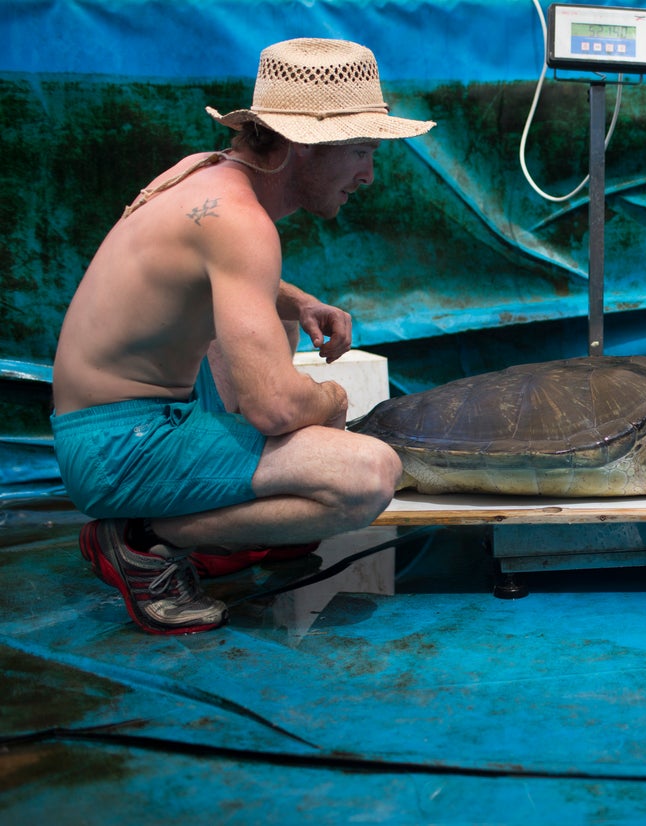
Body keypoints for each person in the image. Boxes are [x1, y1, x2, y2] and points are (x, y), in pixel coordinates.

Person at [51, 38, 436, 635]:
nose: (369, 173)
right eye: (361, 150)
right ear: (305, 146)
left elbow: (191, 272)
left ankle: (219, 527)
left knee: (271, 316)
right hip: (118, 448)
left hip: (109, 422)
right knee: (366, 476)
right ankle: (140, 538)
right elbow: (276, 406)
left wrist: (299, 300)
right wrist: (335, 403)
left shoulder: (204, 172)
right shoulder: (242, 225)